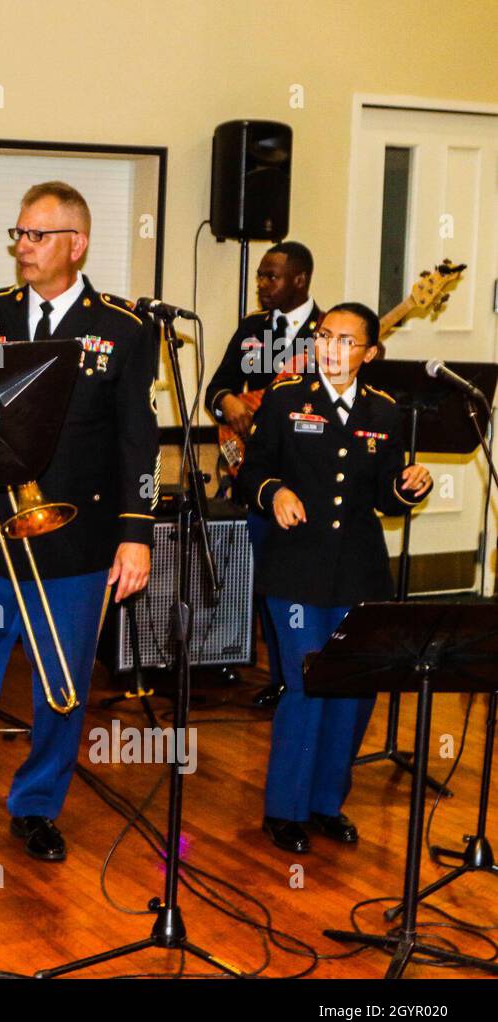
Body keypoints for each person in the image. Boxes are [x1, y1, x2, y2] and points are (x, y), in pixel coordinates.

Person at [0, 181, 159, 862]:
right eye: (17, 233)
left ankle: (38, 804)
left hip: (77, 541)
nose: (22, 247)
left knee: (61, 686)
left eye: (36, 235)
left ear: (77, 244)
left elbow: (138, 436)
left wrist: (136, 532)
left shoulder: (125, 328)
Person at [237, 302, 431, 854]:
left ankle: (326, 804)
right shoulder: (286, 396)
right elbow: (253, 469)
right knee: (305, 682)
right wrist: (274, 492)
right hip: (295, 567)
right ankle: (285, 809)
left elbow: (385, 496)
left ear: (370, 353)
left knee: (351, 690)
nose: (332, 348)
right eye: (326, 336)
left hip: (359, 573)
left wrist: (409, 486)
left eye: (347, 341)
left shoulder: (384, 411)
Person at [205, 241, 323, 709]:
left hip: (306, 478)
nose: (261, 285)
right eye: (259, 276)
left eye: (271, 277)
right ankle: (277, 676)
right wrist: (229, 402)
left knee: (300, 580)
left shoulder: (328, 331)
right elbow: (218, 386)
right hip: (256, 476)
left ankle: (304, 674)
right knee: (264, 579)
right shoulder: (253, 329)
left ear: (300, 279)